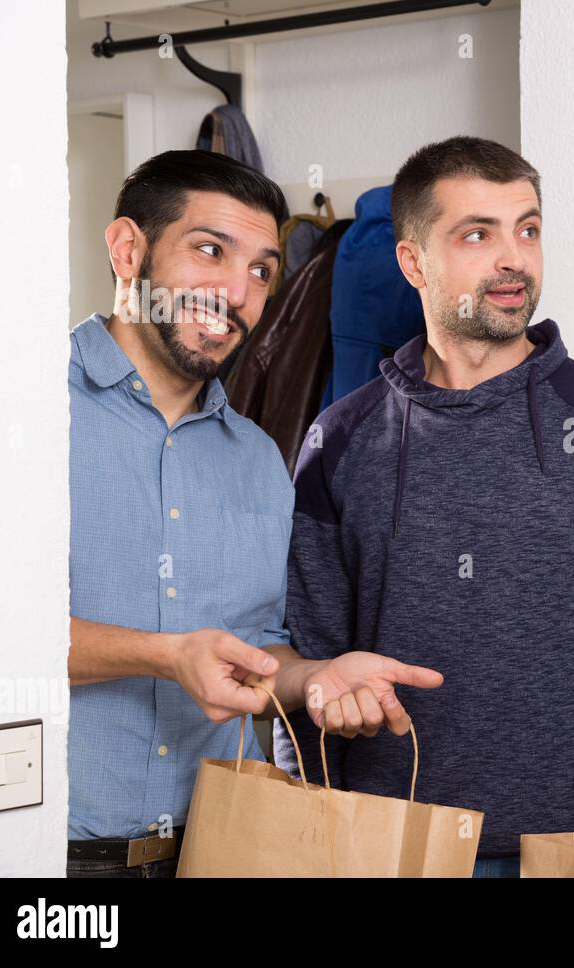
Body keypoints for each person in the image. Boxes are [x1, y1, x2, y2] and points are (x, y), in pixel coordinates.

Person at [274, 136, 574, 877]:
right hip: (383, 849)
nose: (515, 259)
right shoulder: (339, 440)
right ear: (414, 263)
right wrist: (306, 812)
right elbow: (304, 647)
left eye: (527, 230)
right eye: (479, 234)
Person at [68, 150, 439, 878]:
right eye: (210, 251)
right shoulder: (16, 422)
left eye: (263, 271)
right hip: (46, 861)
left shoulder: (262, 461)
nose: (237, 292)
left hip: (221, 851)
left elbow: (260, 649)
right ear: (127, 250)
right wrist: (166, 656)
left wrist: (317, 678)